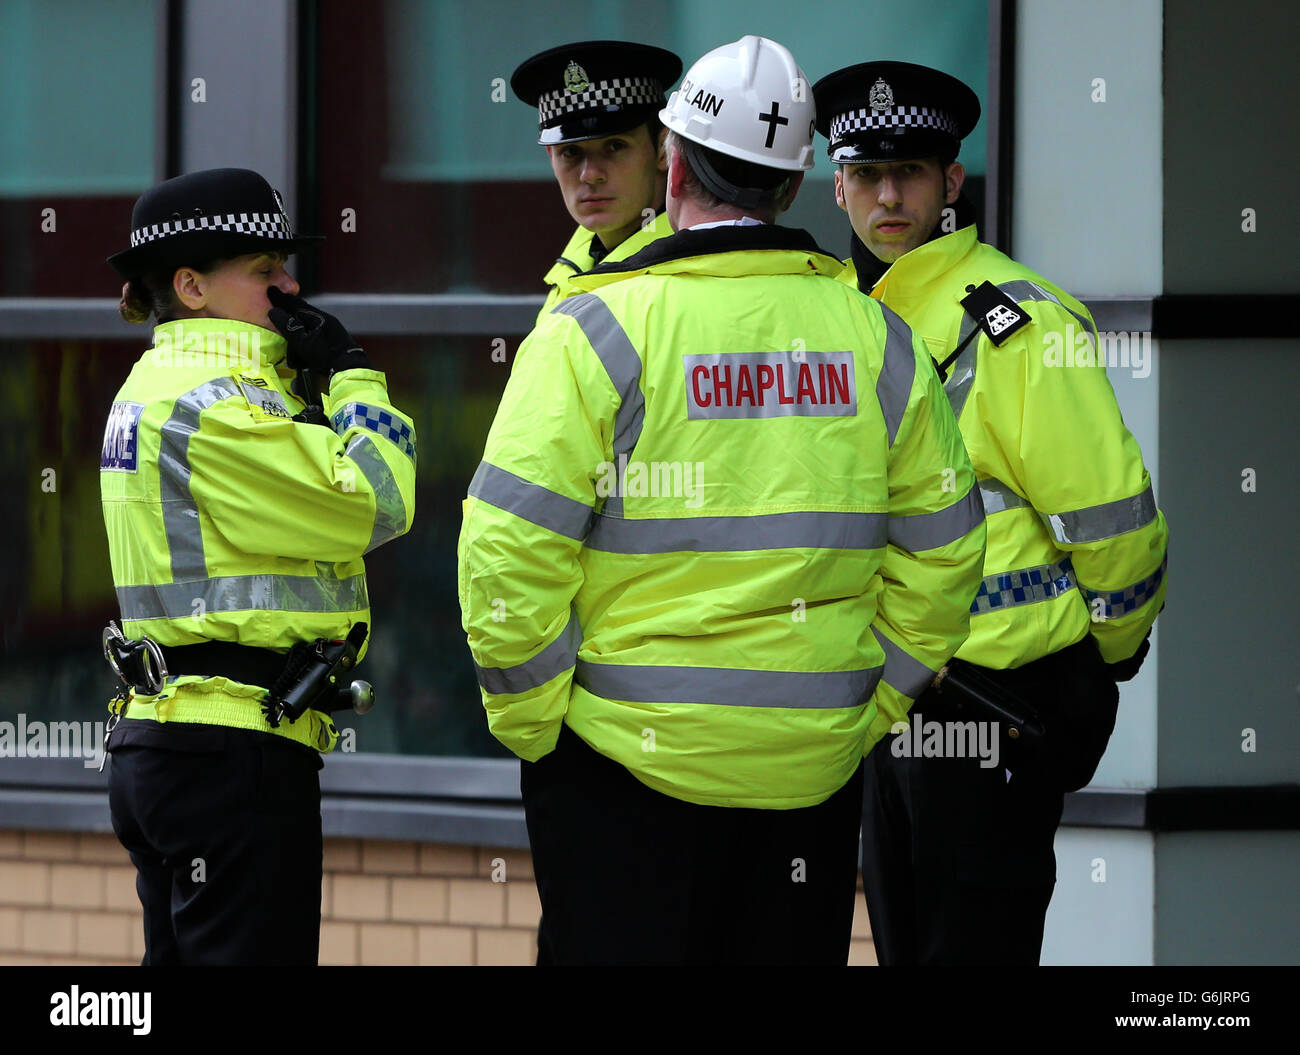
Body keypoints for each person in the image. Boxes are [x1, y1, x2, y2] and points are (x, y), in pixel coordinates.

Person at [459, 36, 986, 966]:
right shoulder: (878, 336)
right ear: (793, 187)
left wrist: (538, 725)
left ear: (669, 166)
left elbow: (508, 549)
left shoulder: (596, 325)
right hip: (808, 778)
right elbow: (947, 550)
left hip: (622, 772)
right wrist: (865, 706)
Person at [813, 61, 1170, 965]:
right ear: (838, 183)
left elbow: (1117, 525)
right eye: (865, 173)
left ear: (953, 183)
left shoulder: (1023, 325)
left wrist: (1104, 665)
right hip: (880, 710)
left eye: (914, 172)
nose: (888, 194)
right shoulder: (832, 321)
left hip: (992, 707)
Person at [99, 167, 417, 965]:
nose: (291, 285)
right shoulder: (217, 401)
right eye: (265, 270)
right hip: (232, 755)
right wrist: (353, 373)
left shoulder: (159, 383)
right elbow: (376, 500)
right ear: (192, 286)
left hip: (169, 744)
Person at [511, 40, 681, 322]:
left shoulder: (688, 270)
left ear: (664, 150)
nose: (590, 174)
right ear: (550, 157)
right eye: (571, 152)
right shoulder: (576, 269)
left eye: (615, 146)